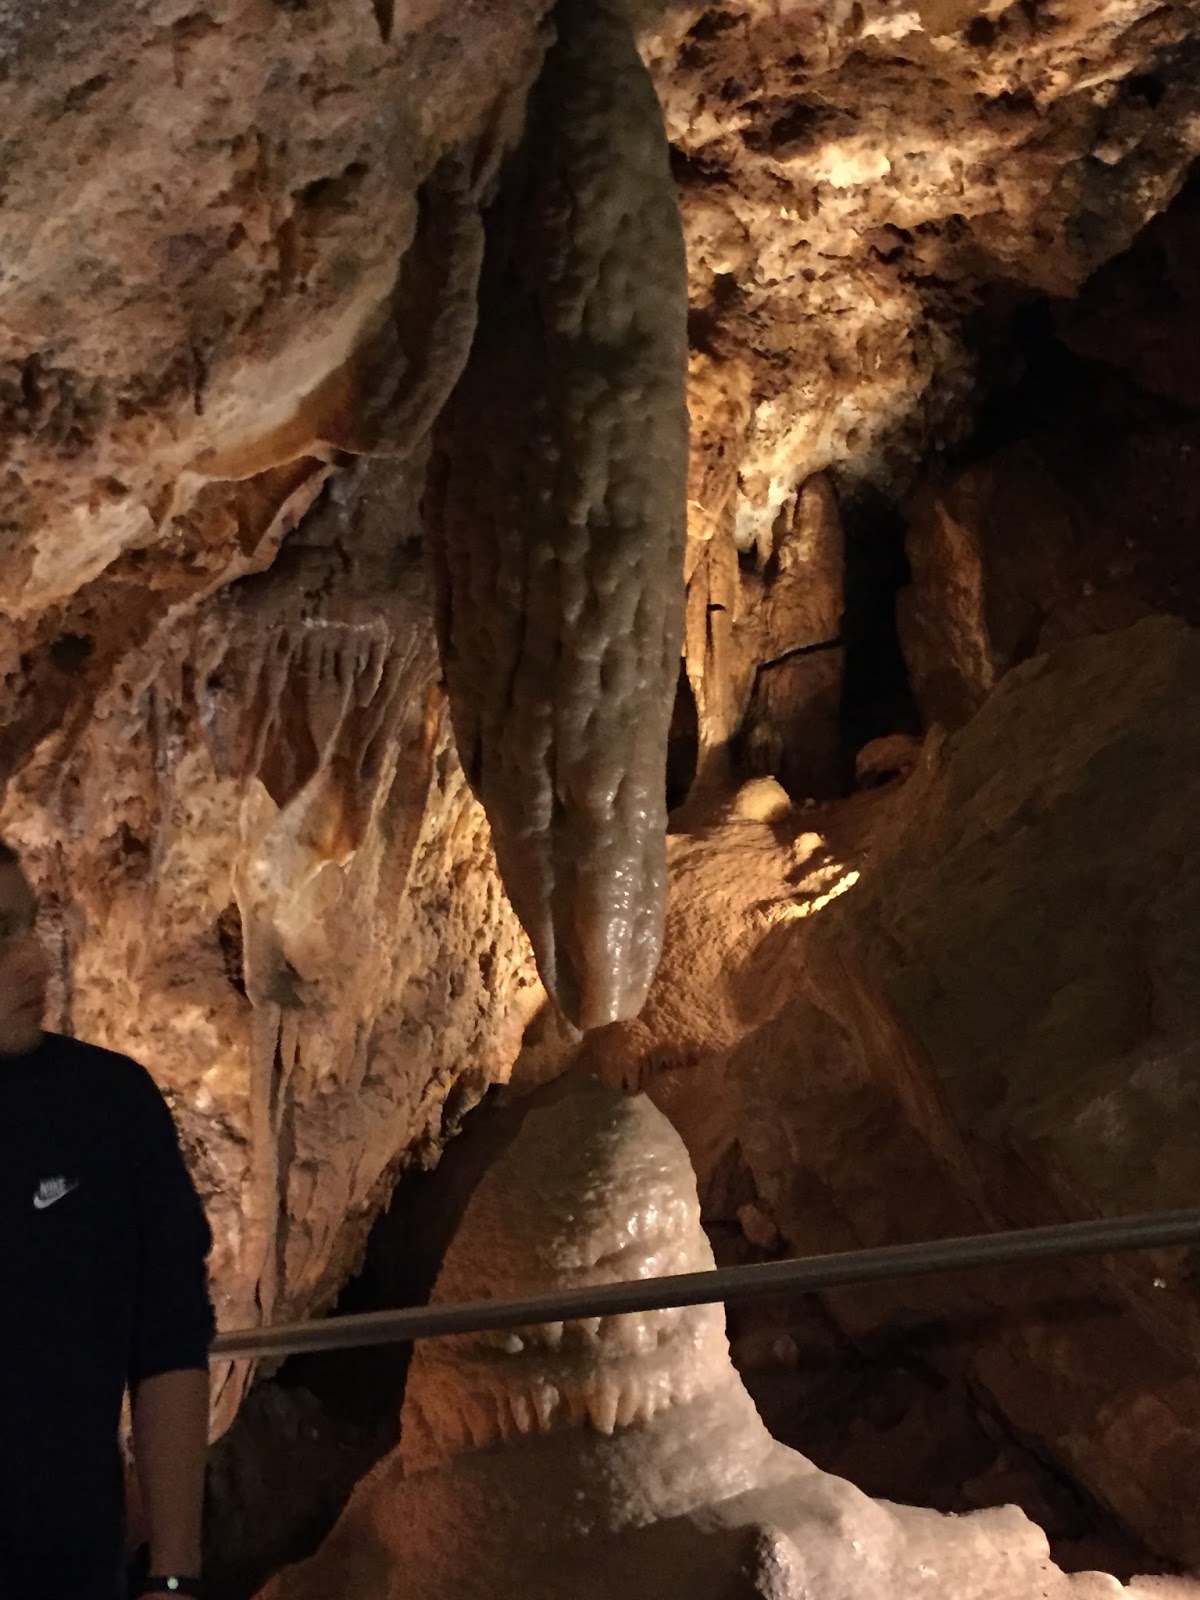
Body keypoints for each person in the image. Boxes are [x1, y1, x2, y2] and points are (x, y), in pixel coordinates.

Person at [0, 839, 215, 1599]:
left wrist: (176, 1574)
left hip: (72, 1572)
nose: (35, 961)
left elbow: (168, 1341)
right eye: (0, 935)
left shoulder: (107, 1108)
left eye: (29, 925)